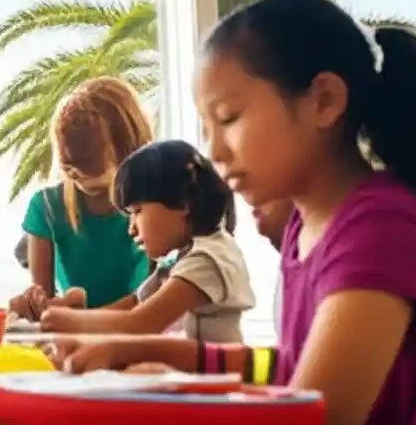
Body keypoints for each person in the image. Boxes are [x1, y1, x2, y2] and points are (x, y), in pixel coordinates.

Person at [53, 0, 416, 425]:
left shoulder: (382, 224)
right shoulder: (304, 229)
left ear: (323, 101)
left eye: (229, 118)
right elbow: (289, 367)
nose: (213, 150)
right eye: (207, 127)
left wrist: (171, 402)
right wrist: (160, 358)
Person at [40, 139, 255, 342]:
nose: (131, 228)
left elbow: (140, 323)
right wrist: (67, 317)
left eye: (138, 211)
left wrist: (68, 321)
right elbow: (134, 303)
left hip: (213, 377)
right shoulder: (183, 257)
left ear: (182, 203)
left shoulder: (207, 259)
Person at [7, 77, 153, 321]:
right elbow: (45, 304)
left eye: (100, 180)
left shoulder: (156, 206)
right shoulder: (46, 209)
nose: (83, 181)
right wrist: (32, 306)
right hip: (79, 334)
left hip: (137, 336)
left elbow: (151, 302)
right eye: (73, 174)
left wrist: (77, 315)